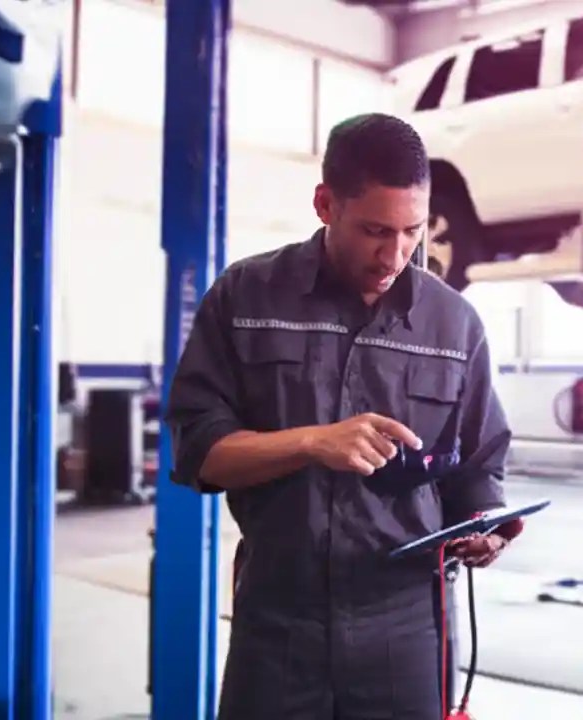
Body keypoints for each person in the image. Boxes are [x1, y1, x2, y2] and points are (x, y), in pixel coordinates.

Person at [165, 113, 518, 720]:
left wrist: (484, 529)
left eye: (414, 231)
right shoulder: (245, 298)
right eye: (376, 230)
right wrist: (310, 443)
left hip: (406, 626)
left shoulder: (455, 324)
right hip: (278, 623)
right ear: (325, 204)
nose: (396, 255)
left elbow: (478, 467)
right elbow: (198, 452)